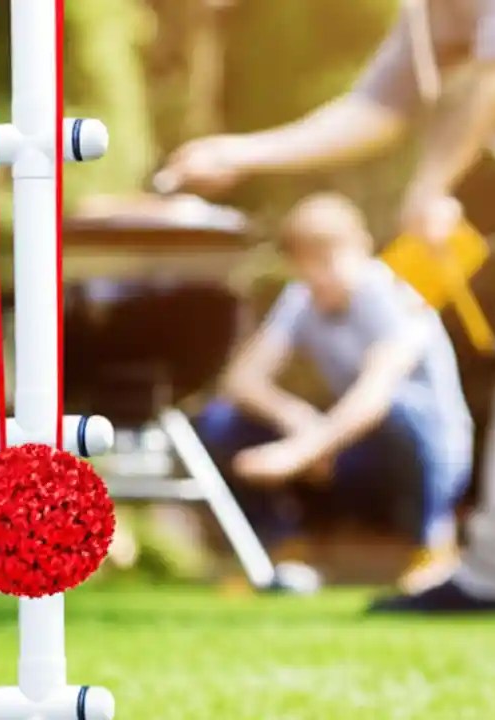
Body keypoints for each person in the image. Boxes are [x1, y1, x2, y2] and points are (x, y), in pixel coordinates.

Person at [158, 0, 495, 613]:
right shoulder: (426, 15)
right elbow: (374, 108)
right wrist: (241, 154)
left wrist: (431, 182)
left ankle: (494, 568)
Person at [197, 193, 473, 593]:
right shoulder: (302, 298)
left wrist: (304, 449)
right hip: (349, 444)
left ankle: (432, 548)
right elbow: (241, 380)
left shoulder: (395, 293)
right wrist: (294, 417)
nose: (317, 276)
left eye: (326, 260)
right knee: (220, 421)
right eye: (304, 263)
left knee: (399, 409)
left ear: (360, 248)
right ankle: (284, 550)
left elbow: (375, 393)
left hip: (427, 449)